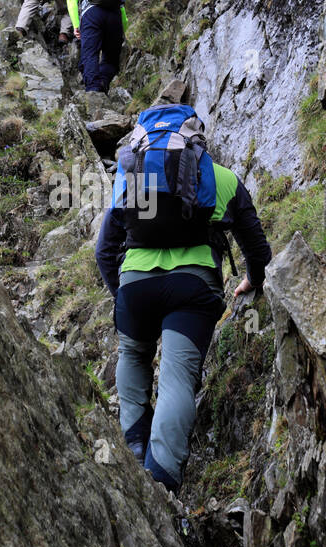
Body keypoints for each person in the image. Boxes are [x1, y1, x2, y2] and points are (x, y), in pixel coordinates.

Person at [95, 81, 271, 492]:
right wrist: (254, 280)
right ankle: (162, 479)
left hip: (135, 286)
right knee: (177, 378)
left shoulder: (134, 180)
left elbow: (105, 250)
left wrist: (119, 295)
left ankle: (133, 452)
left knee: (132, 354)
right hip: (192, 290)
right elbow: (257, 247)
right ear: (197, 142)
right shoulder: (221, 178)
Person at [67, 0, 127, 93]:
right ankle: (103, 82)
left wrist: (76, 25)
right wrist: (123, 33)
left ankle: (93, 90)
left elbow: (71, 0)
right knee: (111, 59)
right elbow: (123, 14)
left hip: (92, 15)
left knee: (90, 54)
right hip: (114, 16)